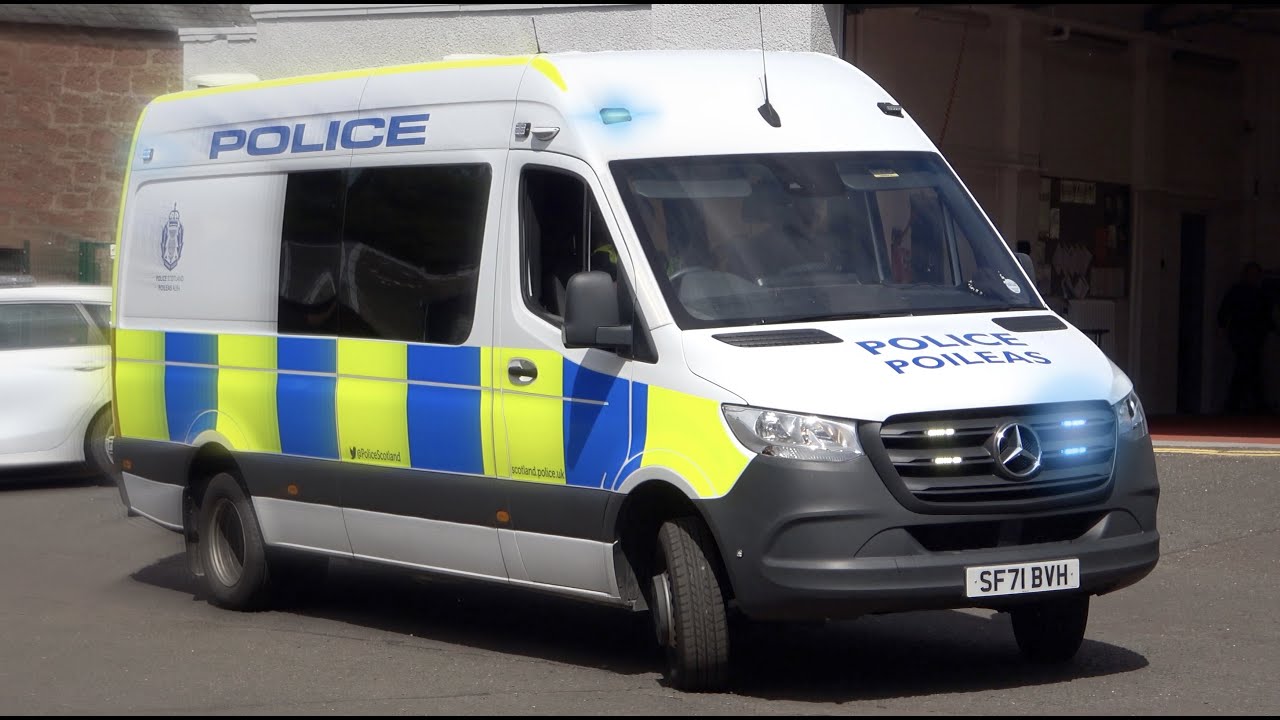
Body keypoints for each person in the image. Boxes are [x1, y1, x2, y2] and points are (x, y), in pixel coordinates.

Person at [1217, 262, 1277, 413]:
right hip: (1241, 335)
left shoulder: (1261, 294)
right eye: (1251, 274)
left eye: (1256, 274)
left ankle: (1240, 403)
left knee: (1248, 367)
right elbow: (1225, 310)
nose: (1253, 277)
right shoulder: (1237, 291)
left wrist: (1273, 330)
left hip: (1255, 337)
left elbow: (1266, 316)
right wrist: (1222, 327)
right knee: (1247, 366)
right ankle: (1246, 403)